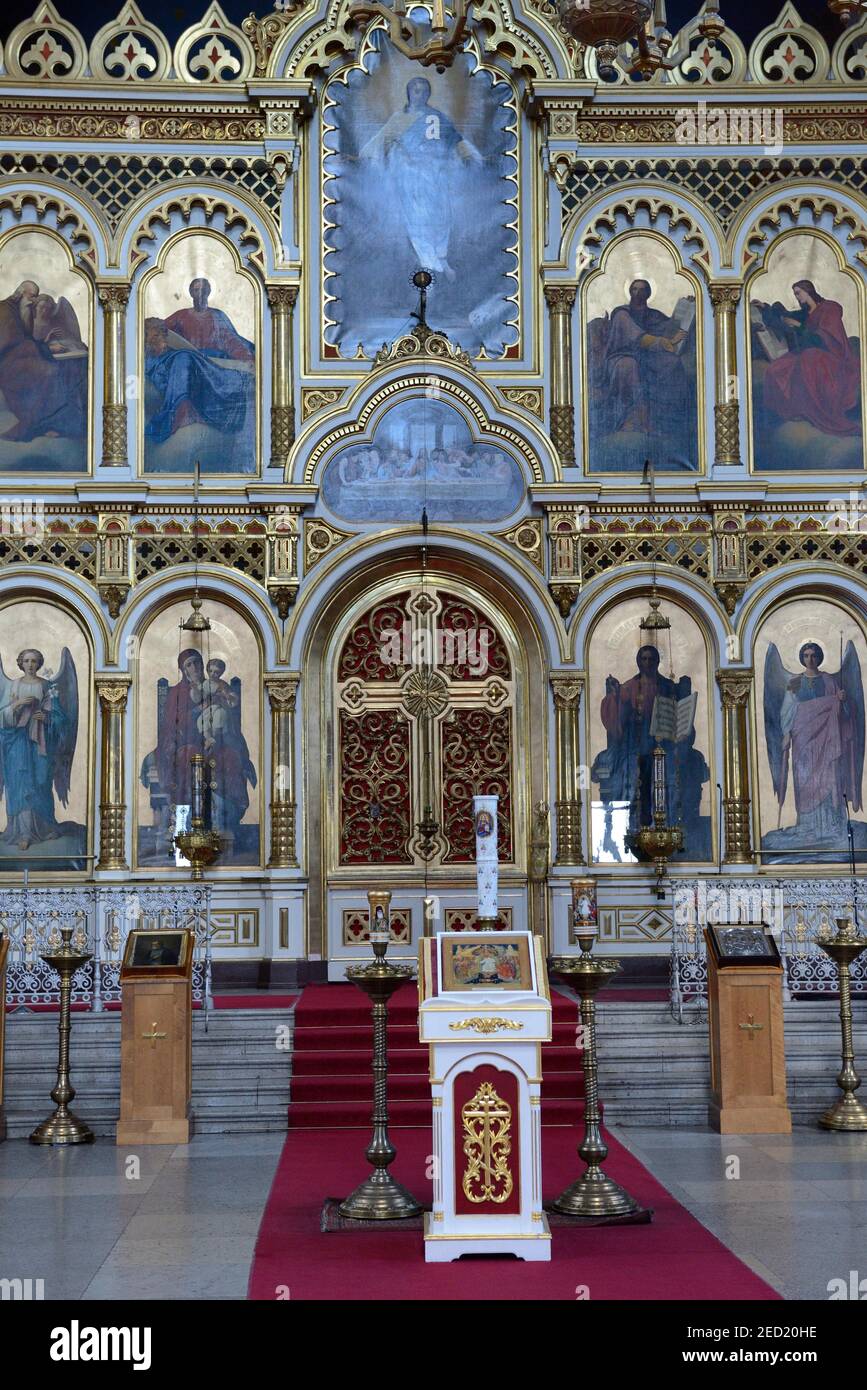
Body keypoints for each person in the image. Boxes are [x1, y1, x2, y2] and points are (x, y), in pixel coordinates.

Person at [359, 77, 482, 278]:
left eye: (424, 89)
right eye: (416, 89)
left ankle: (441, 257)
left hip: (435, 177)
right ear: (408, 93)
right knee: (417, 219)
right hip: (411, 180)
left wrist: (469, 155)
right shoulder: (400, 118)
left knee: (443, 216)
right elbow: (380, 140)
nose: (420, 93)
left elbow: (457, 141)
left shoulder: (437, 117)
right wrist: (365, 156)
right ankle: (430, 263)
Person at [764, 640, 864, 849]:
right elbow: (787, 711)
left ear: (819, 657)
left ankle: (830, 826)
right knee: (805, 780)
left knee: (829, 777)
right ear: (802, 658)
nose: (810, 659)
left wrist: (843, 701)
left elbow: (845, 715)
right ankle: (809, 827)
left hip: (827, 740)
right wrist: (785, 734)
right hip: (803, 741)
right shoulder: (795, 681)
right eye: (807, 655)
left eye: (814, 655)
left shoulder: (829, 681)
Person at [157, 649, 256, 838]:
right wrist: (196, 712)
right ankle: (184, 826)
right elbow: (172, 725)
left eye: (197, 663)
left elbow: (229, 716)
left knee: (231, 757)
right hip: (186, 742)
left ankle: (223, 824)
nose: (194, 667)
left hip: (217, 740)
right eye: (189, 664)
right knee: (192, 758)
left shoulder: (217, 686)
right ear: (183, 670)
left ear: (204, 665)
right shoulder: (177, 692)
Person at [0, 648, 77, 851]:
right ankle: (23, 833)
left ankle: (45, 826)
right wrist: (15, 706)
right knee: (20, 784)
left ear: (39, 663)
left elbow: (63, 719)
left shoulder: (47, 686)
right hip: (16, 744)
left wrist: (48, 718)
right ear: (21, 663)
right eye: (27, 660)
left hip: (41, 743)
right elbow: (2, 716)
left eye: (34, 661)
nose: (31, 664)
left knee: (41, 782)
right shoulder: (12, 686)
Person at [762, 281, 861, 437]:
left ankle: (812, 410)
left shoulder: (829, 309)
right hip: (811, 354)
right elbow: (785, 314)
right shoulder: (805, 313)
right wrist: (764, 306)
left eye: (798, 293)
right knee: (775, 369)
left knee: (808, 359)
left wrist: (798, 326)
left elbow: (824, 340)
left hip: (832, 357)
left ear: (808, 291)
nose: (796, 297)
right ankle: (791, 411)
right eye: (795, 294)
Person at [599, 279, 692, 436]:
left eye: (642, 290)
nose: (638, 293)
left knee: (672, 362)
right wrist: (665, 342)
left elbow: (671, 327)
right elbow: (635, 337)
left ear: (648, 294)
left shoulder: (653, 315)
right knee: (629, 366)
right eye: (634, 289)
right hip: (622, 355)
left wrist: (688, 306)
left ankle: (670, 420)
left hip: (648, 355)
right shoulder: (621, 313)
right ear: (629, 292)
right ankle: (632, 421)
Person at [0, 281, 87, 441]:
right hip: (7, 365)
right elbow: (11, 344)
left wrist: (43, 344)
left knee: (61, 371)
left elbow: (25, 341)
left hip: (22, 358)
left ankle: (51, 424)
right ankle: (35, 425)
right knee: (50, 372)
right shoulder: (4, 310)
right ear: (20, 294)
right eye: (32, 296)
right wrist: (46, 349)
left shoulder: (19, 310)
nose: (33, 302)